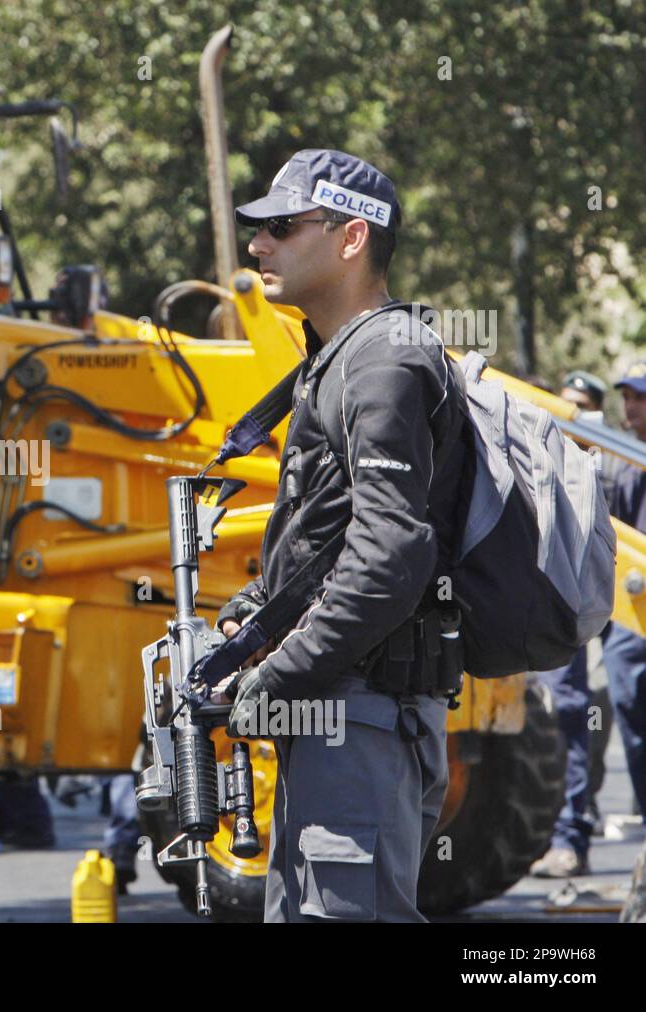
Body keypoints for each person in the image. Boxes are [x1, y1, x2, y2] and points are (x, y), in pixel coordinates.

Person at [213, 149, 469, 921]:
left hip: (360, 717)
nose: (258, 245)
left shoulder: (384, 363)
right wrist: (248, 619)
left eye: (282, 227)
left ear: (351, 238)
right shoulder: (339, 359)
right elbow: (325, 533)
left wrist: (279, 675)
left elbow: (390, 554)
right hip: (339, 714)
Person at [528, 370, 611, 877]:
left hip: (564, 618)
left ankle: (568, 839)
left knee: (570, 712)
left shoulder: (600, 468)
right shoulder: (535, 453)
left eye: (577, 407)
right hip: (514, 615)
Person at [592, 365, 646, 831]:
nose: (630, 406)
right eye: (626, 396)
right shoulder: (620, 463)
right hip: (631, 623)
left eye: (640, 398)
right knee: (634, 729)